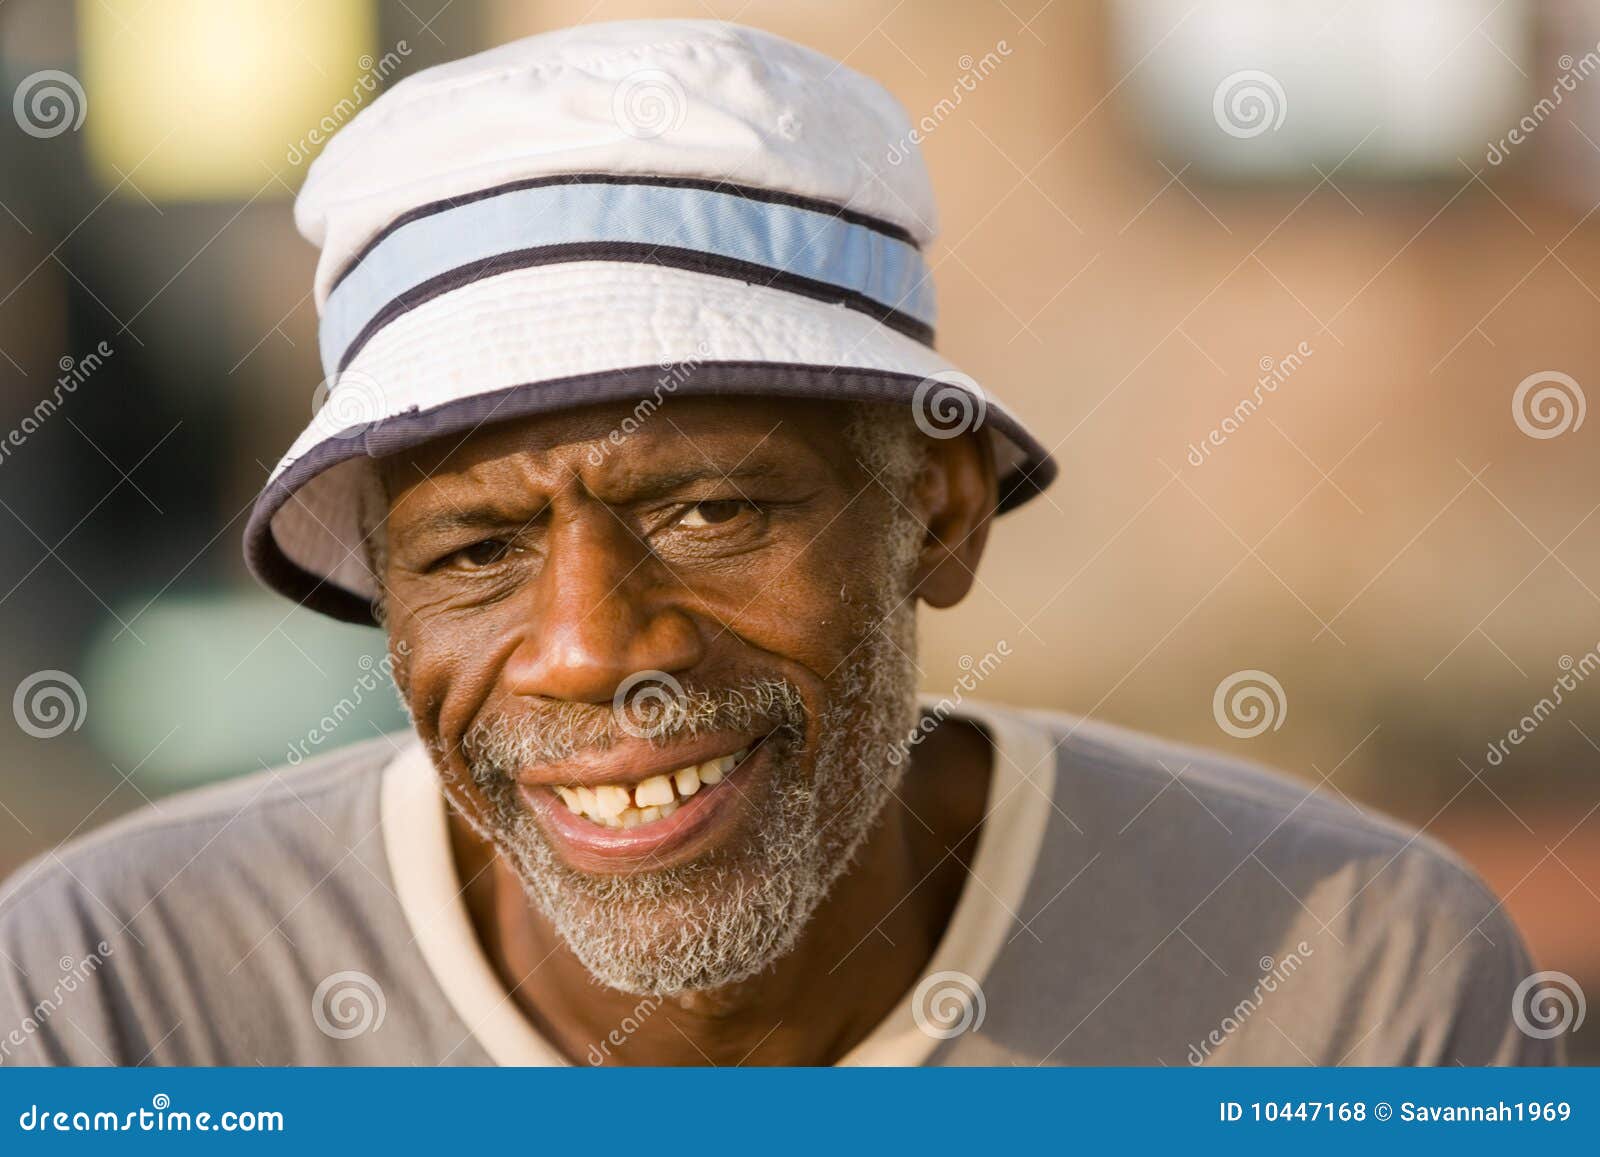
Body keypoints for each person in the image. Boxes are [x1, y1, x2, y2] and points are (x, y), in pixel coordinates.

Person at [0, 20, 1554, 1067]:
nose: (593, 643)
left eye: (707, 510)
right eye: (476, 548)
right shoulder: (127, 1001)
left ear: (936, 509)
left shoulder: (1345, 988)